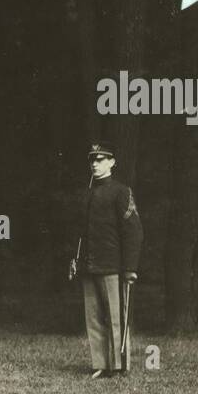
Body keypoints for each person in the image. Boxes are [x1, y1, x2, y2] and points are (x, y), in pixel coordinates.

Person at [70, 142, 143, 378]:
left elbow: (134, 231)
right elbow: (81, 232)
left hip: (113, 266)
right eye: (92, 160)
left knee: (115, 316)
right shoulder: (87, 194)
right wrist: (76, 259)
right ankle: (100, 364)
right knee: (93, 317)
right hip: (89, 265)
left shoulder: (122, 192)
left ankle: (119, 365)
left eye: (100, 160)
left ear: (112, 163)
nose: (95, 164)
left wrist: (130, 267)